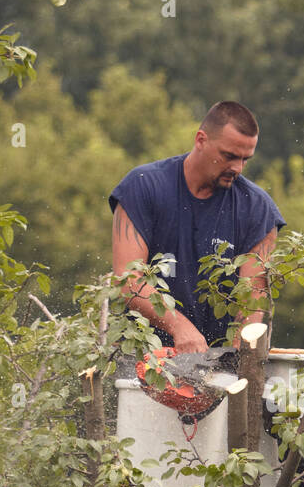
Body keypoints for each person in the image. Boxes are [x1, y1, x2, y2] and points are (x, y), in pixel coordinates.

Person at [110, 101, 285, 352]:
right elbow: (127, 281)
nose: (237, 168)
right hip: (142, 359)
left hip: (217, 365)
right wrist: (180, 327)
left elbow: (252, 299)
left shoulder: (258, 209)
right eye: (229, 156)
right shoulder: (142, 186)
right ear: (201, 139)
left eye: (246, 159)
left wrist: (239, 361)